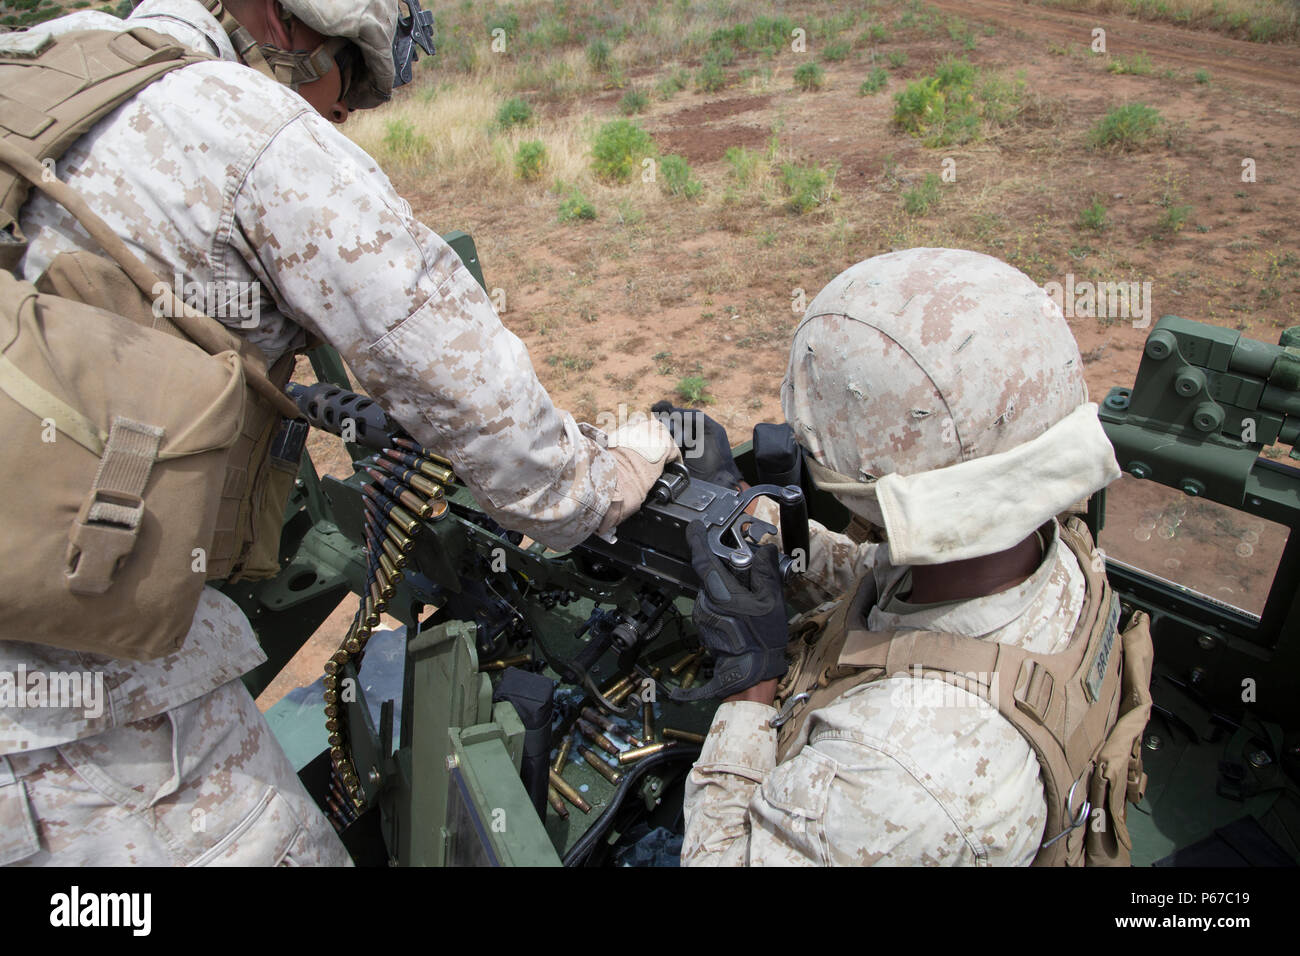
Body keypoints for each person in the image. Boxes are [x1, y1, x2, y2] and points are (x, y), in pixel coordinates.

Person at [0, 0, 676, 866]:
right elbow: (484, 410)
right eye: (348, 70)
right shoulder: (242, 128)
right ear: (278, 23)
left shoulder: (44, 64)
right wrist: (614, 472)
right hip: (70, 710)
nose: (347, 106)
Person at [678, 247, 1152, 866]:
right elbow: (898, 584)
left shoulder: (899, 781)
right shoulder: (1045, 546)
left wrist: (751, 685)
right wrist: (754, 518)